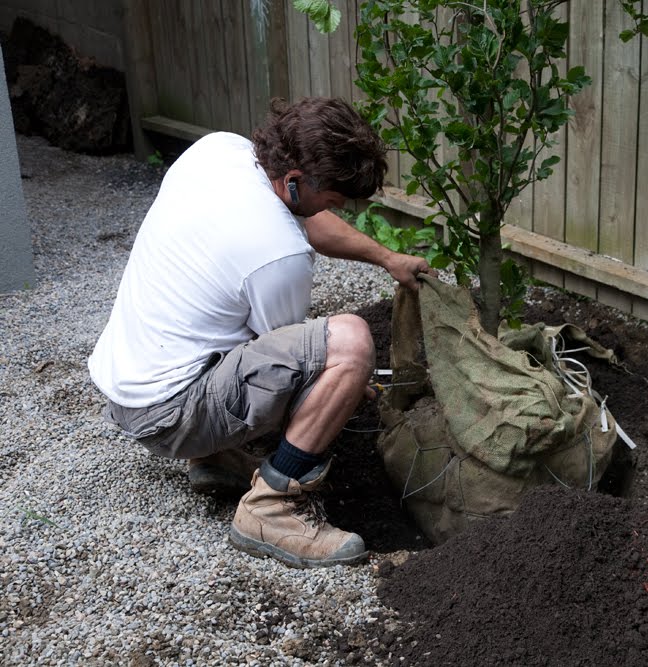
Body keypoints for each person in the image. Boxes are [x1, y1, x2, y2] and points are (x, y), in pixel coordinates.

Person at [88, 97, 431, 568]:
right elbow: (289, 373)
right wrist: (350, 388)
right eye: (333, 201)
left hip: (127, 384)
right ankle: (272, 506)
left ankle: (217, 456)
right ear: (295, 183)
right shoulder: (279, 255)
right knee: (349, 345)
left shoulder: (220, 151)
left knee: (250, 326)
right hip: (168, 416)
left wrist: (387, 259)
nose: (334, 210)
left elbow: (303, 216)